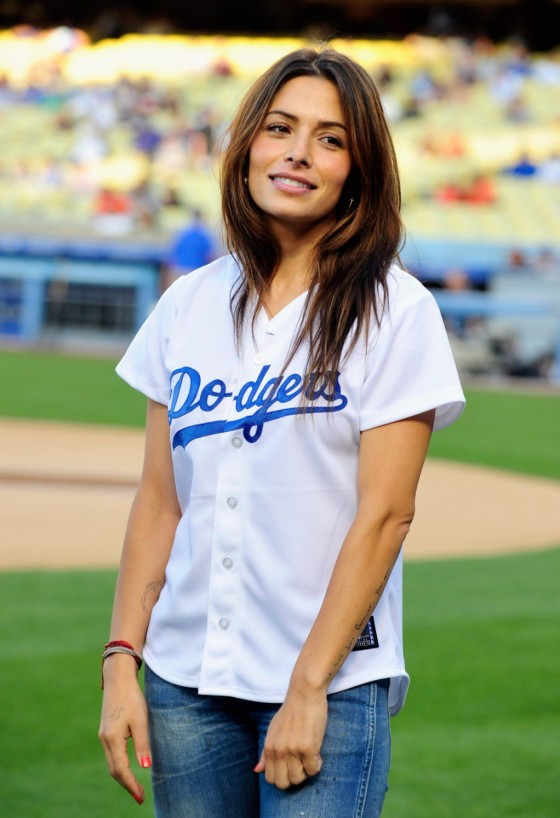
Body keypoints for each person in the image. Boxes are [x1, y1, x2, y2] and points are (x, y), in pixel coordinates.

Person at [99, 47, 465, 818]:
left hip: (326, 686)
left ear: (358, 170)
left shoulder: (397, 312)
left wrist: (307, 688)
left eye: (331, 139)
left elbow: (387, 515)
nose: (299, 153)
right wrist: (120, 665)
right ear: (246, 147)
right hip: (184, 682)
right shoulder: (188, 305)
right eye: (280, 128)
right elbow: (160, 504)